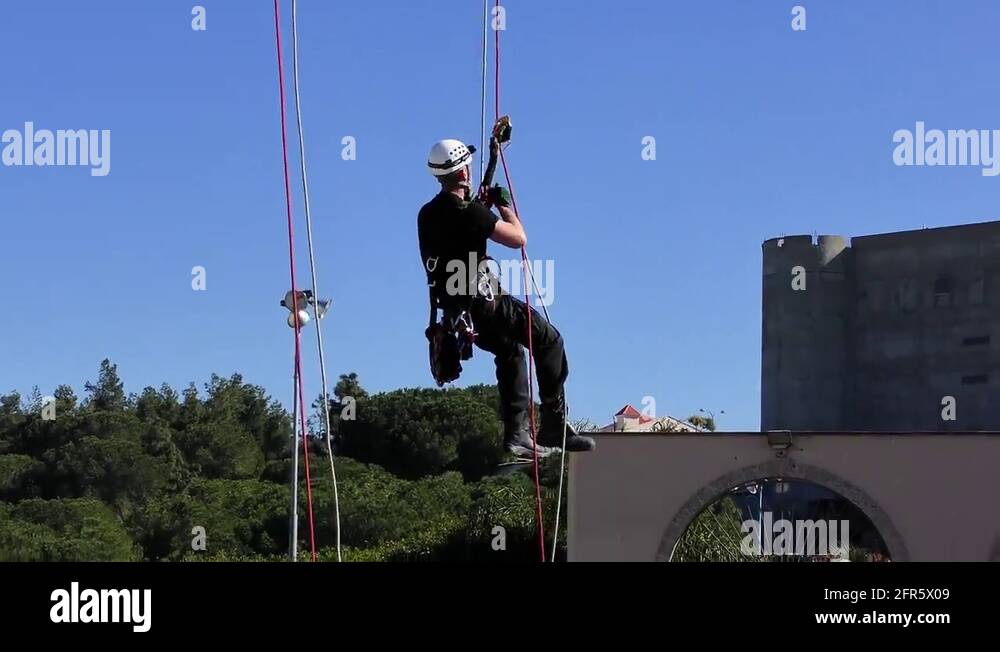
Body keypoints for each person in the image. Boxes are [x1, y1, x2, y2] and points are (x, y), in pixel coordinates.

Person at [417, 137, 595, 458]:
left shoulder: (427, 214)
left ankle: (518, 436)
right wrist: (503, 205)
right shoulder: (470, 213)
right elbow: (518, 238)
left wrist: (481, 204)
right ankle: (553, 423)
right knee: (549, 340)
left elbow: (458, 234)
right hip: (486, 304)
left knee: (511, 354)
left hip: (456, 312)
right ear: (462, 173)